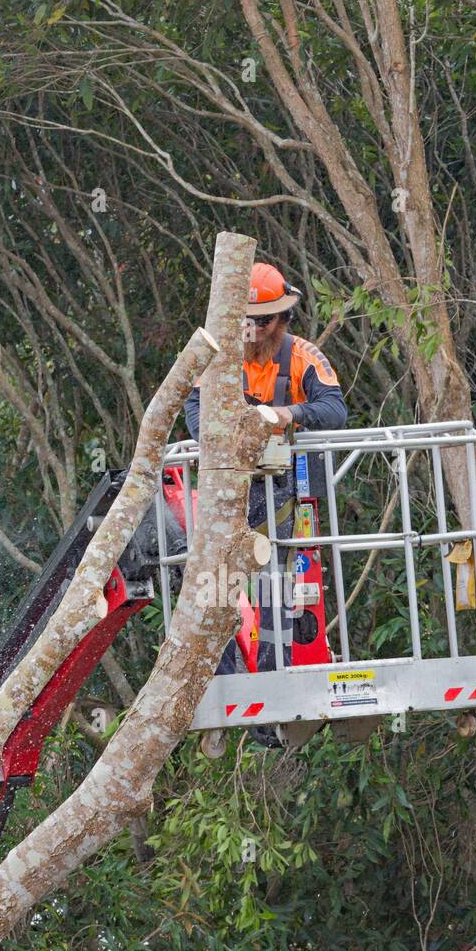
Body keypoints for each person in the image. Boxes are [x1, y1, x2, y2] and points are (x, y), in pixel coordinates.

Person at [183, 262, 347, 685]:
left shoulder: (303, 356)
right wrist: (220, 439)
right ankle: (216, 680)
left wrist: (286, 414)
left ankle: (275, 676)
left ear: (283, 317)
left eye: (264, 320)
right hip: (228, 488)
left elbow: (334, 410)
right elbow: (195, 408)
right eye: (247, 320)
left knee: (277, 585)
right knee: (215, 584)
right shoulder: (217, 356)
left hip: (285, 490)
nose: (254, 329)